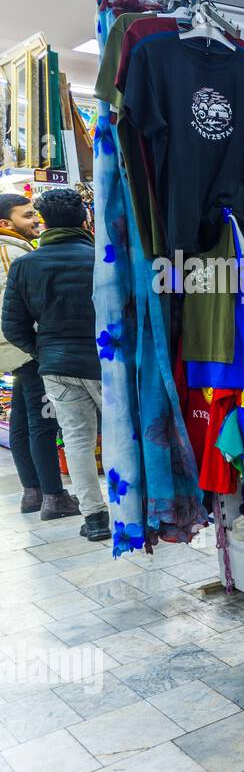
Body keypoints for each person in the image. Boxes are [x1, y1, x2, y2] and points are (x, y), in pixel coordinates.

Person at [2, 188, 108, 541]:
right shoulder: (101, 258)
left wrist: (43, 351)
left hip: (57, 367)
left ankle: (94, 519)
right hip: (106, 363)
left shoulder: (25, 264)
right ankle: (134, 512)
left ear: (46, 221)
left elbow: (13, 325)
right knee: (123, 436)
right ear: (83, 219)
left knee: (77, 441)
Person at [0, 192, 79, 519]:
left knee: (22, 417)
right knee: (43, 421)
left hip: (14, 352)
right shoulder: (10, 252)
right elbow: (16, 308)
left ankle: (32, 493)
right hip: (27, 349)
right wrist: (39, 344)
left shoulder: (14, 249)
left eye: (35, 214)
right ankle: (53, 496)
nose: (36, 220)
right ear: (6, 223)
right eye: (27, 215)